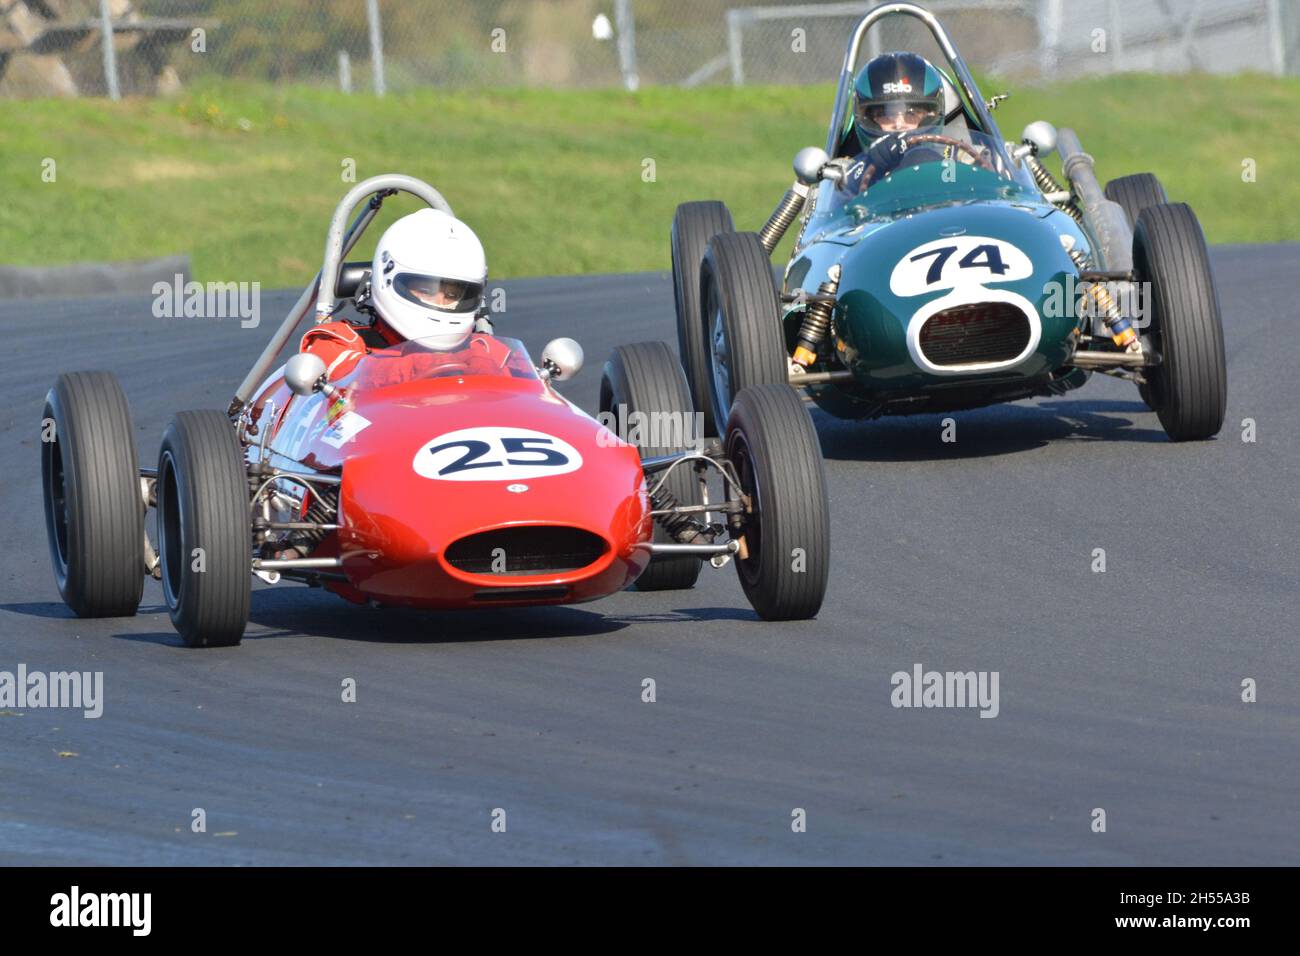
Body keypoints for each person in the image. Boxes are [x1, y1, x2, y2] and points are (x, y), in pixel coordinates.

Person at [299, 208, 492, 381]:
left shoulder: (483, 351)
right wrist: (428, 365)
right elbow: (346, 378)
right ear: (387, 279)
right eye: (426, 291)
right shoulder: (339, 343)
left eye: (452, 296)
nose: (440, 302)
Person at [849, 51, 949, 187]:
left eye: (911, 113)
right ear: (867, 119)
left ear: (931, 115)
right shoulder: (849, 177)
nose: (899, 124)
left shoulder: (960, 161)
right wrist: (867, 169)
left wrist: (923, 159)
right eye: (884, 114)